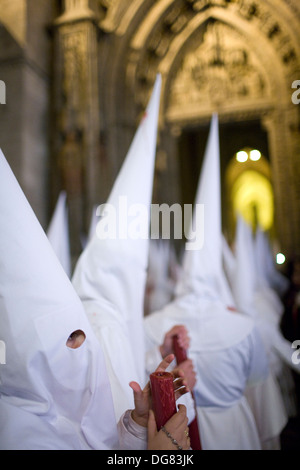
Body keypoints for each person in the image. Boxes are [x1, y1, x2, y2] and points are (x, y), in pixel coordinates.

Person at [0, 149, 190, 450]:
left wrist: (137, 423)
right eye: (71, 337)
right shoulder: (21, 438)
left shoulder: (56, 406)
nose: (85, 345)